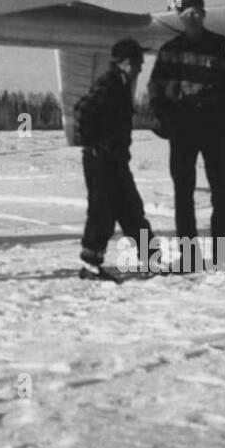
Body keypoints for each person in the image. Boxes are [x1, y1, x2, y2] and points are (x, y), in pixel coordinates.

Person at [147, 0, 225, 269]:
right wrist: (164, 118)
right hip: (183, 126)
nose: (192, 17)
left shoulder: (222, 47)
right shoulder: (170, 49)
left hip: (216, 125)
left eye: (197, 13)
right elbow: (156, 87)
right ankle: (188, 255)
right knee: (183, 192)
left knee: (222, 191)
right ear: (180, 17)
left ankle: (220, 254)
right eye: (187, 13)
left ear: (204, 15)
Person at [73, 39, 152, 280]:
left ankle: (152, 259)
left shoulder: (121, 83)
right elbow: (82, 110)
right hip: (102, 160)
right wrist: (95, 143)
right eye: (138, 62)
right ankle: (90, 264)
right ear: (127, 63)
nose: (141, 67)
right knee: (102, 212)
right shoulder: (109, 82)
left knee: (131, 208)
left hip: (115, 159)